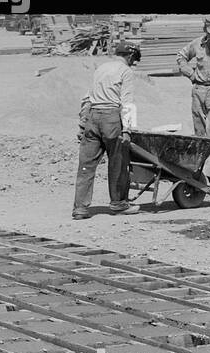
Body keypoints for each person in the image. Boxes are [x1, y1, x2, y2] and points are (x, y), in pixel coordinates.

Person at [72, 43, 140, 220]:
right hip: (111, 118)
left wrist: (82, 124)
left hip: (93, 118)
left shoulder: (101, 68)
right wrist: (128, 130)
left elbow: (87, 97)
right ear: (131, 57)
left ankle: (80, 208)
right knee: (118, 163)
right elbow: (127, 101)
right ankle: (118, 204)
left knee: (86, 165)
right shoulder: (126, 72)